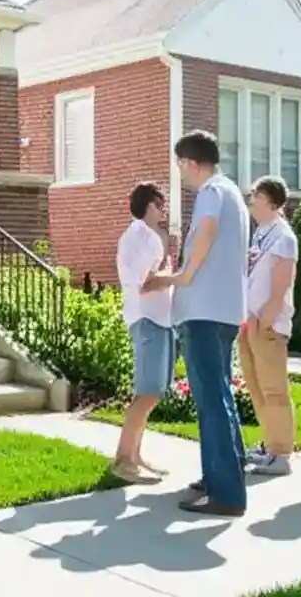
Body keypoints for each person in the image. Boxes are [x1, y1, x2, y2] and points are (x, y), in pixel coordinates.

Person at [145, 130, 249, 516]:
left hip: (204, 310)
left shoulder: (210, 194)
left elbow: (204, 234)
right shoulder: (233, 193)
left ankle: (227, 493)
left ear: (190, 162)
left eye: (180, 166)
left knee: (211, 401)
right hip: (223, 311)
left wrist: (179, 277)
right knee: (220, 398)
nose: (181, 174)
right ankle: (222, 477)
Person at [111, 183, 176, 484]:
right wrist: (174, 274)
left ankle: (135, 456)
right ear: (150, 205)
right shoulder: (142, 237)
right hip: (148, 318)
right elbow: (144, 282)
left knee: (151, 392)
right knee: (148, 393)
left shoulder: (143, 237)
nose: (164, 210)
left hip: (158, 319)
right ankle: (124, 460)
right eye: (161, 204)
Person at [240, 176, 299, 476]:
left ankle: (282, 453)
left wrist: (267, 315)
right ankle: (269, 445)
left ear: (274, 203)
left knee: (274, 388)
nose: (252, 201)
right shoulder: (261, 233)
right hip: (250, 319)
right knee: (257, 386)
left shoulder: (284, 237)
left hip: (268, 323)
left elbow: (282, 282)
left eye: (257, 197)